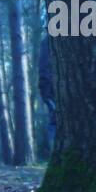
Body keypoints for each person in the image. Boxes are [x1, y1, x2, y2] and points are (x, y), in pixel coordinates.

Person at [37, 26, 56, 155]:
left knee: (55, 121)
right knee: (55, 121)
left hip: (52, 91)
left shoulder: (50, 42)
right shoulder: (48, 43)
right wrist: (47, 95)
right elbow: (44, 71)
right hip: (51, 92)